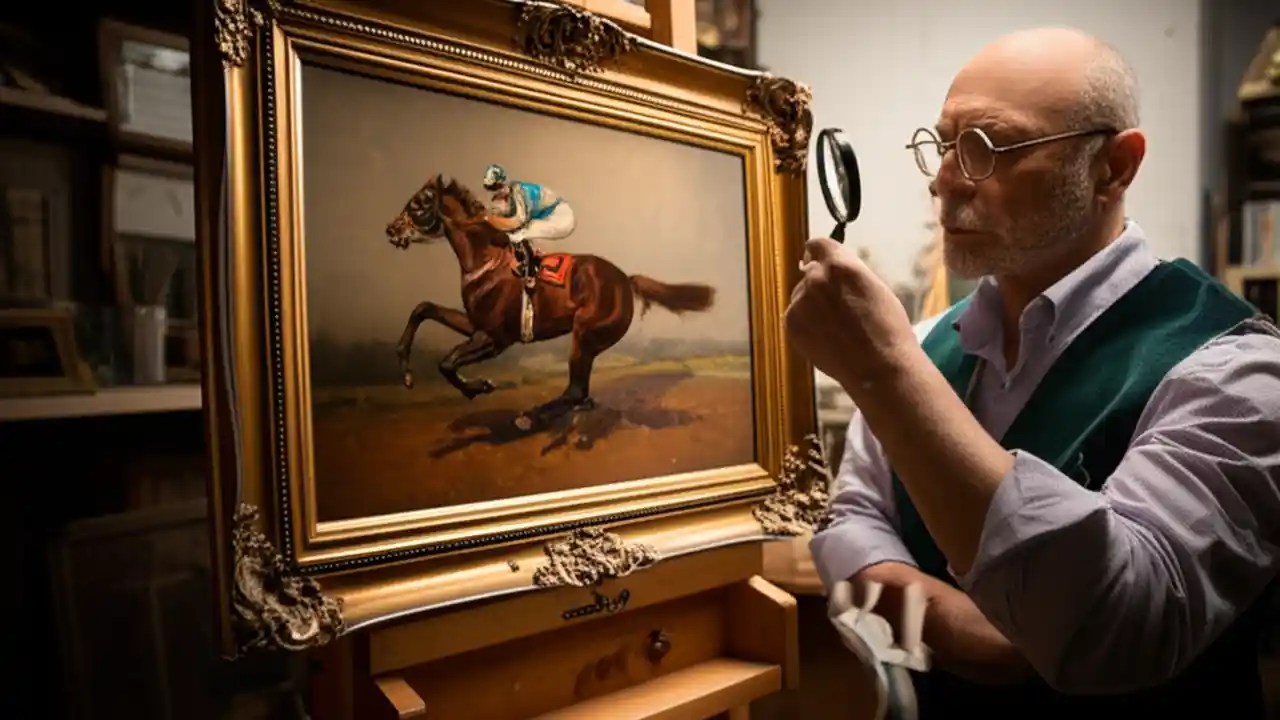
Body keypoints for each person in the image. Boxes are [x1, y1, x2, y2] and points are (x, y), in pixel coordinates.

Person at [785, 26, 1280, 718]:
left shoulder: (1237, 367)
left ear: (1114, 166)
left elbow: (1121, 624)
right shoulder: (927, 343)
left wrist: (884, 373)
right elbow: (850, 521)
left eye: (987, 148)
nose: (945, 179)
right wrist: (976, 638)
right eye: (943, 142)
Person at [480, 164, 577, 289]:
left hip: (560, 216)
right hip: (543, 216)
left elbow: (516, 222)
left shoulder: (519, 192)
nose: (494, 191)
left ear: (504, 183)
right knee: (517, 233)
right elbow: (496, 217)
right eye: (490, 188)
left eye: (496, 187)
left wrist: (488, 219)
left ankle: (530, 272)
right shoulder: (503, 197)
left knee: (519, 234)